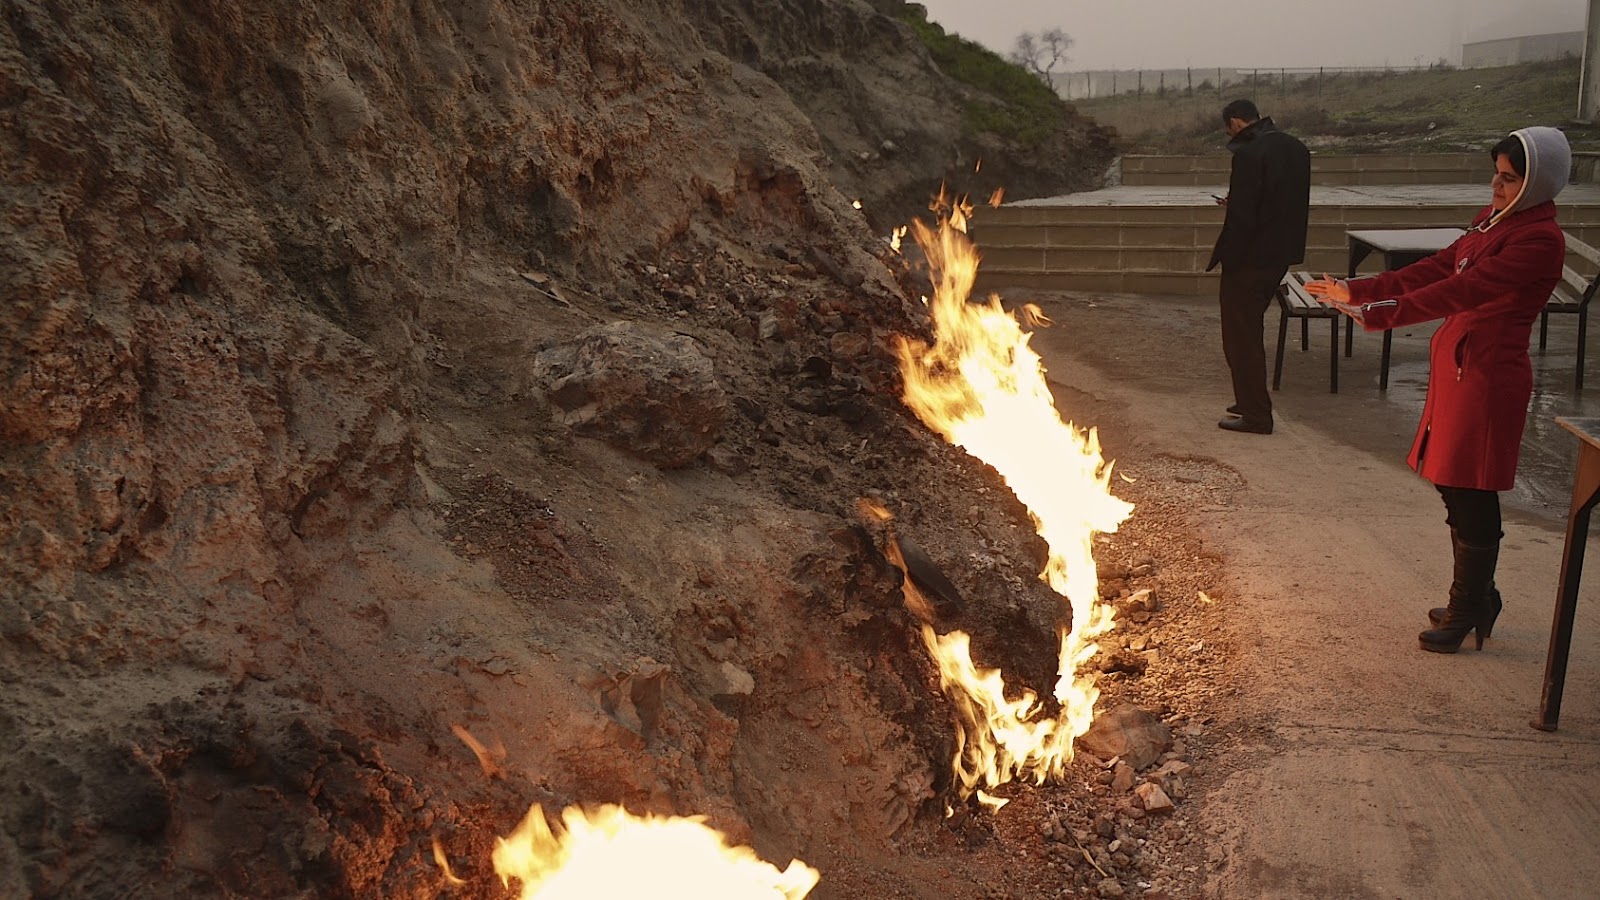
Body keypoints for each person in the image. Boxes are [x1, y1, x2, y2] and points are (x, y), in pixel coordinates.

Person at [1305, 127, 1571, 654]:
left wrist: (1377, 312)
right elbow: (1439, 266)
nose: (1495, 185)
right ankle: (1478, 596)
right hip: (1462, 365)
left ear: (1535, 184)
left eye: (1508, 178)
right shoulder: (1496, 218)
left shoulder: (1539, 239)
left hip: (1488, 375)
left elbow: (1463, 288)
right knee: (1453, 482)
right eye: (1496, 174)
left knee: (1472, 486)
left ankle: (1468, 603)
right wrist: (1357, 289)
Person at [1206, 99, 1312, 435]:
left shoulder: (1248, 154)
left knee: (1241, 337)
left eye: (1229, 130)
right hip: (1280, 255)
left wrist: (1230, 258)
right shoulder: (1296, 148)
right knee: (1250, 330)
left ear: (1235, 123)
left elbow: (1244, 218)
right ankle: (1248, 399)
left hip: (1250, 260)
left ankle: (1255, 414)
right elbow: (1280, 199)